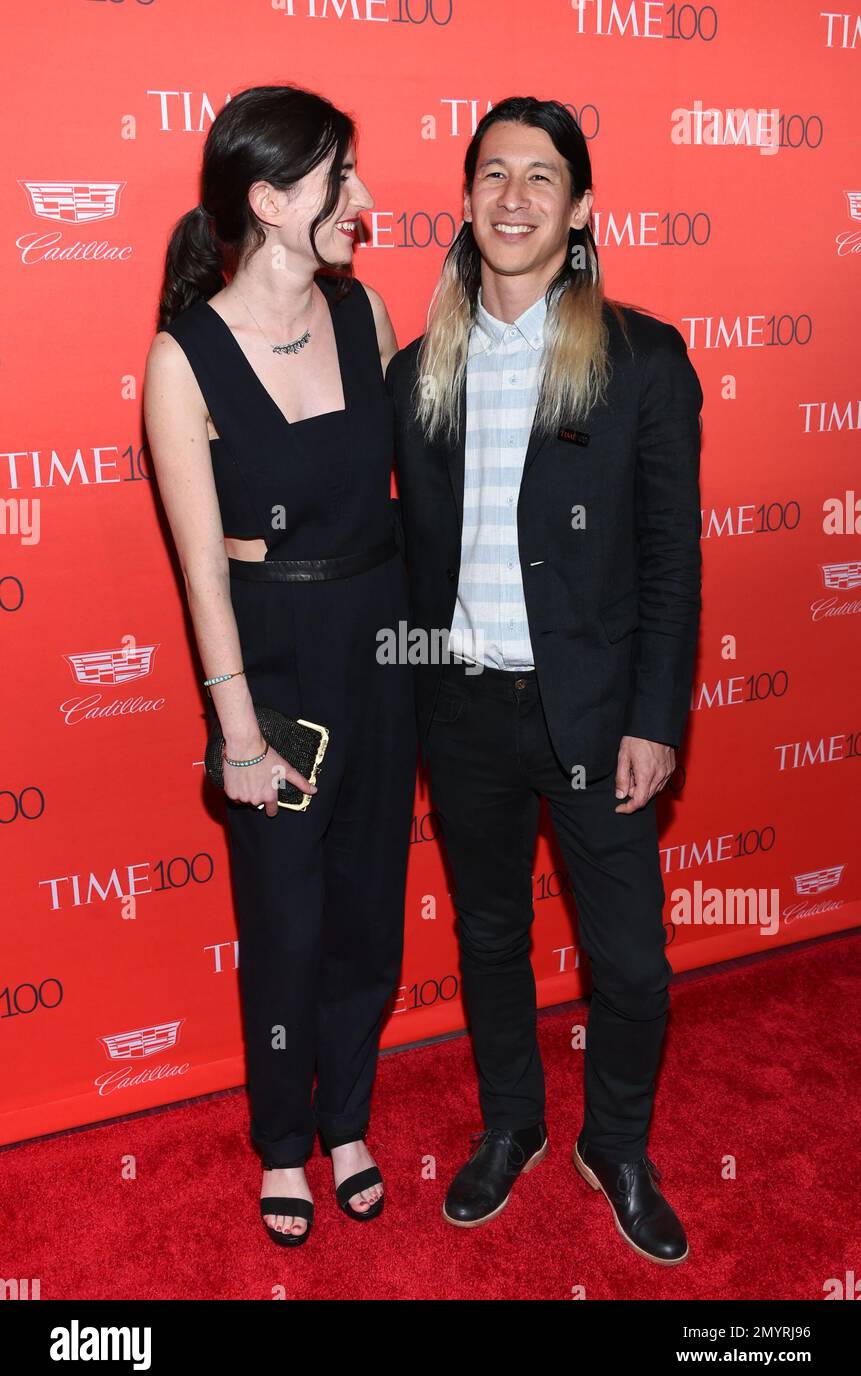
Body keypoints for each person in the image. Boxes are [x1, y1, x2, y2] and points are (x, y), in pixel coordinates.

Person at [385, 96, 703, 1264]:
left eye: (540, 177)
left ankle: (614, 1141)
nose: (513, 197)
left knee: (629, 963)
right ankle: (513, 1124)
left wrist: (655, 720)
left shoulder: (642, 360)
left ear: (577, 208)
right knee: (488, 936)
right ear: (467, 202)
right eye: (492, 176)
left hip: (597, 717)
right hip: (462, 706)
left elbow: (673, 562)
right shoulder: (418, 371)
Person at [144, 85, 416, 1247]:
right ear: (268, 201)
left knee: (367, 912)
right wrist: (238, 735)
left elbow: (412, 501)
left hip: (380, 646)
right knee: (287, 922)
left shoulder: (371, 315)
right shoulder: (182, 359)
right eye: (336, 180)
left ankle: (348, 1119)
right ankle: (285, 1145)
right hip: (273, 673)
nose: (362, 199)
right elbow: (203, 569)